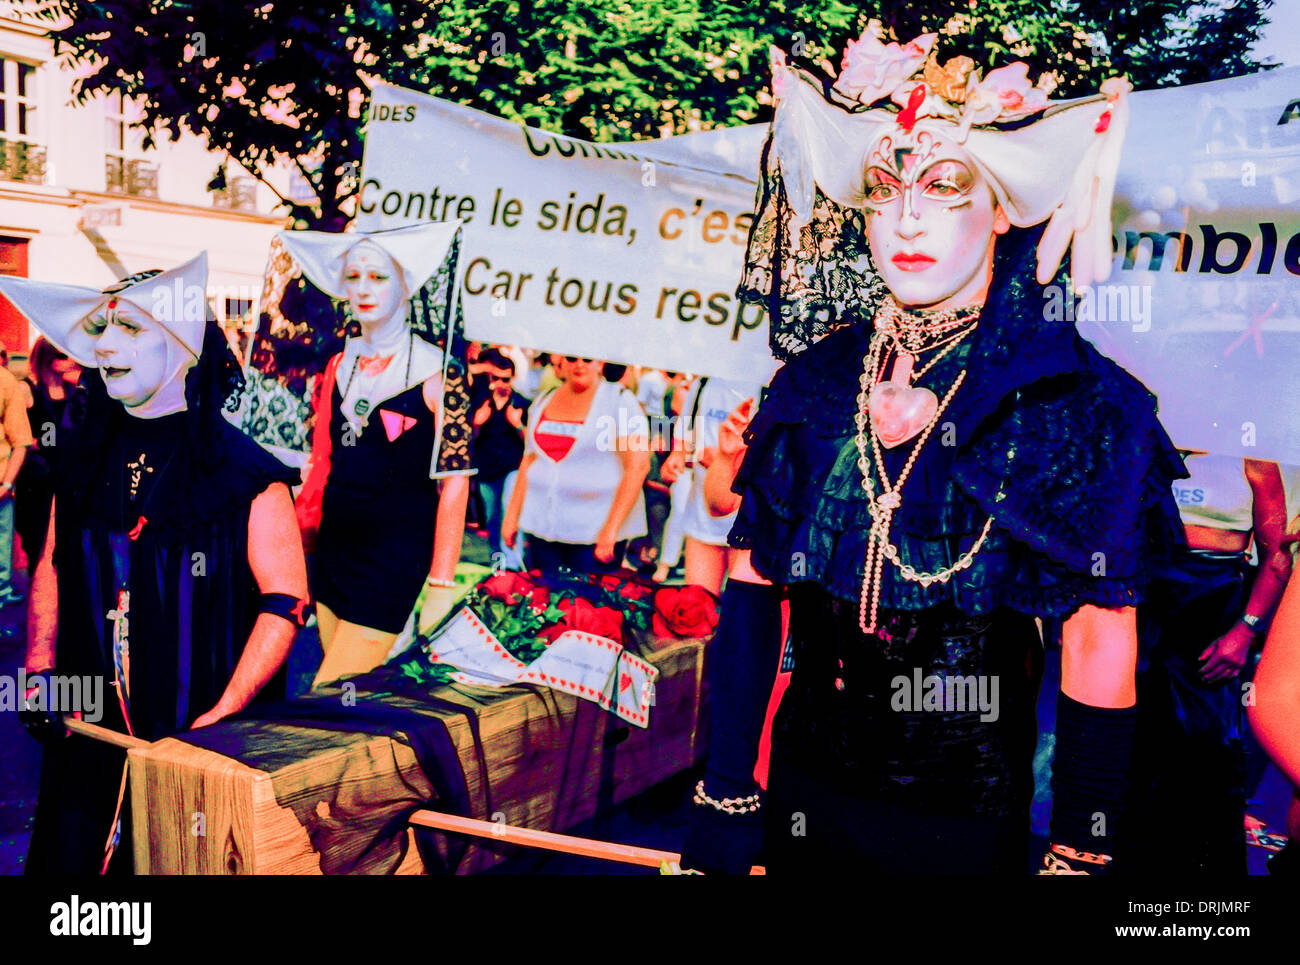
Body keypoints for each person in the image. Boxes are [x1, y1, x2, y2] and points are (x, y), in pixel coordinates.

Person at [682, 32, 1187, 875]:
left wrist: (1079, 853)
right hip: (806, 798)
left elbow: (1100, 642)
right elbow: (752, 587)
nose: (907, 217)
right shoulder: (815, 379)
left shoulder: (1079, 405)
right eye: (884, 188)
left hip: (962, 822)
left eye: (945, 186)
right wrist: (729, 794)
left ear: (1003, 209)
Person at [0, 253, 310, 874]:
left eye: (131, 328)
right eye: (101, 330)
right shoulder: (81, 458)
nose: (107, 345)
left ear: (184, 345)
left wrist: (226, 713)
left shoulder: (246, 473)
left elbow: (286, 602)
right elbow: (53, 566)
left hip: (195, 723)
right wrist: (38, 669)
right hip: (85, 717)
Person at [282, 222, 473, 687]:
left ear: (405, 283)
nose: (364, 289)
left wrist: (442, 585)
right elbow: (324, 460)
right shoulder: (337, 364)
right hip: (333, 558)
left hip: (393, 562)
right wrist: (303, 544)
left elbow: (456, 480)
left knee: (327, 695)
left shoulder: (442, 374)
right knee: (359, 702)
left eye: (379, 276)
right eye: (355, 276)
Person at [1125, 454, 1290, 873]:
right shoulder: (1148, 432)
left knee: (1208, 745)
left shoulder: (1253, 455)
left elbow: (1277, 557)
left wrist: (1245, 630)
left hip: (1210, 604)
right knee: (1133, 742)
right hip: (1140, 598)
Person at [502, 354, 649, 577]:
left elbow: (638, 467)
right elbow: (529, 460)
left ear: (600, 362)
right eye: (572, 358)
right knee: (543, 602)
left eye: (588, 359)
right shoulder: (544, 399)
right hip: (542, 531)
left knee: (586, 606)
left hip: (594, 536)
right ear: (561, 362)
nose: (579, 364)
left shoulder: (619, 400)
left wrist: (611, 531)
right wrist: (511, 516)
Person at [661, 376, 762, 595]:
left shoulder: (767, 384)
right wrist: (675, 459)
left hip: (747, 520)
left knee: (739, 616)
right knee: (698, 608)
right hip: (702, 518)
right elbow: (684, 435)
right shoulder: (704, 382)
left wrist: (723, 459)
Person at [15, 337, 82, 576]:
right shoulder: (27, 389)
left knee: (65, 540)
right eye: (62, 355)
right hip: (38, 474)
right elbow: (16, 432)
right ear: (47, 357)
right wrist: (33, 443)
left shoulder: (74, 391)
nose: (70, 360)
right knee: (36, 538)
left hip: (65, 474)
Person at [472, 347, 529, 570]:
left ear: (512, 378)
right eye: (496, 378)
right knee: (492, 518)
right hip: (487, 469)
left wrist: (518, 426)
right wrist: (477, 424)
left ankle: (513, 565)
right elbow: (469, 439)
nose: (500, 384)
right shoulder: (481, 402)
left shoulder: (520, 403)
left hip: (512, 468)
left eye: (505, 379)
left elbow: (532, 442)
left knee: (509, 511)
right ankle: (498, 565)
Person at [0, 338, 33, 607]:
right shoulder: (8, 381)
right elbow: (21, 441)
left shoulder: (6, 382)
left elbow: (21, 440)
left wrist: (7, 484)